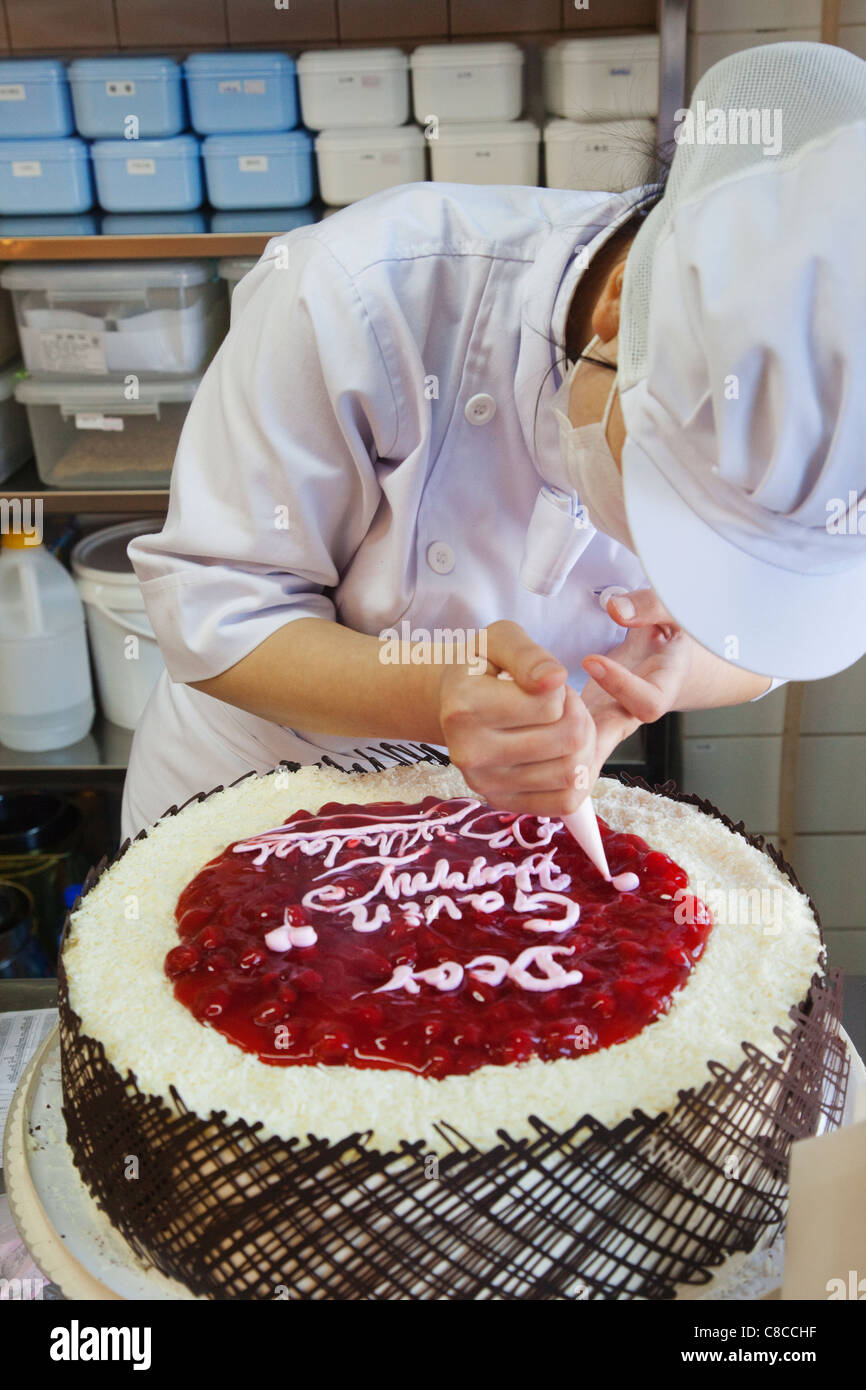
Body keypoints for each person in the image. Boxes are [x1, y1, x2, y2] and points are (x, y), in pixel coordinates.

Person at [123, 41, 866, 842]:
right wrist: (437, 687)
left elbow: (781, 629)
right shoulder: (361, 289)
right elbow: (218, 613)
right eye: (667, 492)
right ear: (617, 306)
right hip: (260, 793)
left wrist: (686, 666)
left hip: (511, 819)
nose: (665, 542)